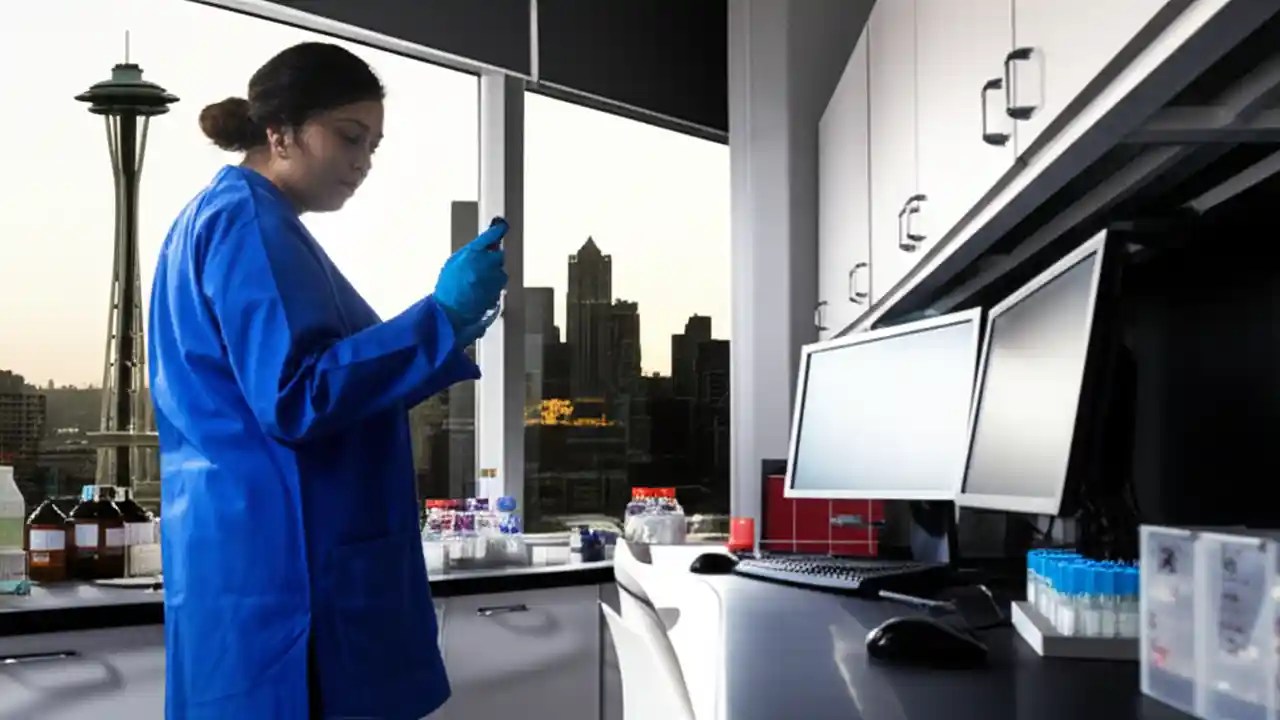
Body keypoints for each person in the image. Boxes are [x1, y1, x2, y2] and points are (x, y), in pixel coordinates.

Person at [147, 42, 507, 720]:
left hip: (245, 569)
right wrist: (443, 319)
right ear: (280, 131)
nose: (363, 161)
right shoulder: (249, 223)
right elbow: (297, 396)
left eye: (372, 144)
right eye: (348, 137)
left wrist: (440, 331)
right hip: (293, 577)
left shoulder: (223, 220)